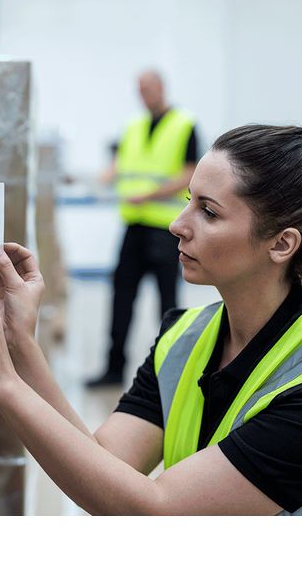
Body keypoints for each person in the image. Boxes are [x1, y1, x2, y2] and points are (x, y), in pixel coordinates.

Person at [0, 119, 302, 515]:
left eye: (208, 211)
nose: (177, 223)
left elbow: (156, 511)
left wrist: (3, 384)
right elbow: (108, 463)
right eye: (188, 199)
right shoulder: (184, 337)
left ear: (281, 244)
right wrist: (20, 342)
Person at [89, 70, 199, 387]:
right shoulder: (134, 126)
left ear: (162, 88)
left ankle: (171, 373)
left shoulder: (184, 124)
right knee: (121, 299)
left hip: (167, 230)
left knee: (167, 305)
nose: (143, 94)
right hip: (134, 227)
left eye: (147, 88)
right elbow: (121, 163)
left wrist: (150, 195)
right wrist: (101, 178)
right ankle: (113, 370)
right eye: (139, 89)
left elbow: (190, 173)